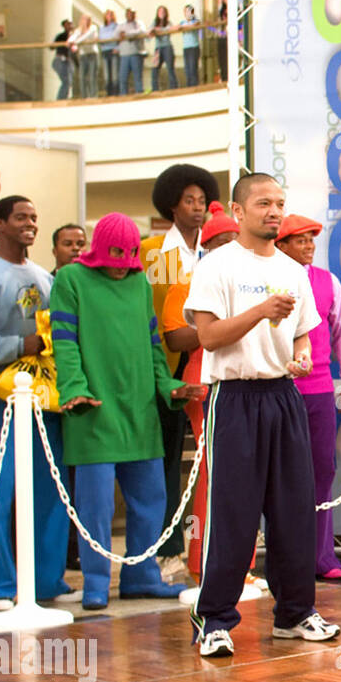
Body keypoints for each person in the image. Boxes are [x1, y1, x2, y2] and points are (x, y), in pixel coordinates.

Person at [183, 172, 339, 657]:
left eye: (279, 203)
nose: (274, 211)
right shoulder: (218, 266)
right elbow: (208, 337)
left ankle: (295, 613)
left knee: (295, 509)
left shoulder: (293, 270)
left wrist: (302, 356)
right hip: (234, 398)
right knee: (233, 512)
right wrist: (260, 310)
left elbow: (302, 335)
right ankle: (213, 620)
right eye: (263, 203)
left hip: (284, 395)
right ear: (237, 211)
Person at [50, 213, 200, 610]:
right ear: (100, 248)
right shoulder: (71, 280)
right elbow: (63, 341)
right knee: (95, 507)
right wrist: (75, 389)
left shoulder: (137, 283)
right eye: (116, 252)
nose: (123, 261)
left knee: (151, 498)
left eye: (131, 252)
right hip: (93, 409)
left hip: (140, 410)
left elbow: (153, 347)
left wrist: (170, 386)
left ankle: (141, 575)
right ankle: (97, 581)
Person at [163, 201, 250, 592]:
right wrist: (218, 329)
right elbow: (172, 336)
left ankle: (240, 566)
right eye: (225, 240)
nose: (234, 245)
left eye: (237, 238)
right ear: (209, 245)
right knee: (215, 475)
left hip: (246, 377)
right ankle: (204, 563)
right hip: (207, 378)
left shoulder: (250, 278)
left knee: (244, 474)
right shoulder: (189, 279)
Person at [0, 196, 73, 609]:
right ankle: (0, 585)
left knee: (50, 489)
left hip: (43, 401)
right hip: (0, 401)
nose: (30, 224)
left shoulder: (46, 277)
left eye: (34, 218)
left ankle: (46, 580)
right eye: (21, 217)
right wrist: (16, 345)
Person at [143, 163, 218, 576]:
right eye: (188, 200)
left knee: (208, 464)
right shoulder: (152, 251)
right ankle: (166, 546)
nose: (197, 207)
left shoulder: (215, 253)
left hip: (207, 366)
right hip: (163, 365)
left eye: (202, 200)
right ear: (172, 205)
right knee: (166, 463)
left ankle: (202, 547)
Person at [275, 214, 341, 580]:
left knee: (322, 471)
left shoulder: (327, 282)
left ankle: (323, 556)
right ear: (281, 245)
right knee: (278, 476)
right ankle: (286, 558)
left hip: (321, 389)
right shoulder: (268, 281)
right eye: (300, 240)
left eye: (311, 239)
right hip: (276, 389)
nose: (309, 246)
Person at [117, 9, 147, 95]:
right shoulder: (121, 25)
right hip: (124, 54)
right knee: (123, 77)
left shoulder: (139, 23)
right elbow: (116, 34)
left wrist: (127, 34)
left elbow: (141, 31)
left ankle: (139, 93)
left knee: (137, 76)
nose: (130, 15)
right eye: (128, 13)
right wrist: (123, 34)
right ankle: (123, 95)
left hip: (136, 53)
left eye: (132, 14)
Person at [148, 6, 178, 91]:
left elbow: (172, 28)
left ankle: (174, 88)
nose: (162, 13)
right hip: (158, 48)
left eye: (163, 11)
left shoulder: (168, 22)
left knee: (170, 68)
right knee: (154, 69)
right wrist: (154, 30)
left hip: (167, 47)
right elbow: (149, 31)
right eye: (160, 11)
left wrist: (160, 30)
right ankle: (155, 89)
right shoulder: (154, 22)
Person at [70, 15, 100, 98]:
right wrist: (70, 41)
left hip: (92, 54)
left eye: (85, 19)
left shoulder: (93, 28)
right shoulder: (78, 30)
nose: (83, 21)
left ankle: (93, 96)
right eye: (82, 19)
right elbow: (73, 37)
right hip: (83, 55)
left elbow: (85, 37)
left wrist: (75, 42)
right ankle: (84, 97)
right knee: (82, 77)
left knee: (92, 77)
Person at [98, 11, 121, 96]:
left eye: (111, 15)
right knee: (107, 76)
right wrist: (108, 39)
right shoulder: (102, 27)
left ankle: (116, 93)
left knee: (115, 75)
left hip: (113, 50)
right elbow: (101, 38)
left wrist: (117, 47)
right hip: (105, 51)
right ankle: (109, 93)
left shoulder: (116, 26)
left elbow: (116, 37)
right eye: (107, 15)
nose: (109, 16)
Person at [52, 20, 75, 100]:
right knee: (66, 81)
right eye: (67, 25)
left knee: (69, 82)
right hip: (61, 60)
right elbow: (52, 47)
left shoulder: (74, 36)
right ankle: (61, 98)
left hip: (69, 61)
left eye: (70, 24)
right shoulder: (61, 36)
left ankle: (64, 97)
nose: (69, 26)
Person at [179, 5, 201, 86]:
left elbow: (195, 25)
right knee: (187, 69)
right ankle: (189, 86)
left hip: (194, 47)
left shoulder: (196, 21)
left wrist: (184, 27)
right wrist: (182, 27)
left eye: (189, 11)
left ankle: (195, 86)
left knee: (193, 68)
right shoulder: (182, 22)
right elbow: (176, 27)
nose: (187, 13)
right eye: (185, 11)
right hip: (186, 48)